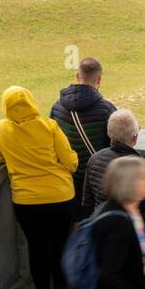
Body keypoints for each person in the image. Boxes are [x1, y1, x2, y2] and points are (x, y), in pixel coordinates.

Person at [0, 86, 80, 289]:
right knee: (60, 245)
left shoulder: (2, 129)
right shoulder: (49, 126)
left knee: (37, 248)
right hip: (60, 197)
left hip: (26, 202)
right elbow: (70, 161)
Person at [85, 156, 145, 289]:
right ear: (129, 183)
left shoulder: (132, 210)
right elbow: (109, 273)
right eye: (144, 177)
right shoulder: (118, 223)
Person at [81, 109, 145, 258]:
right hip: (130, 239)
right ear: (135, 138)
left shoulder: (95, 159)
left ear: (109, 133)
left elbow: (87, 203)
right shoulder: (139, 166)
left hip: (101, 234)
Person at [51, 56, 116, 219]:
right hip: (98, 181)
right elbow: (117, 145)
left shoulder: (57, 107)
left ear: (77, 76)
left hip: (67, 181)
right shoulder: (107, 109)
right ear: (99, 79)